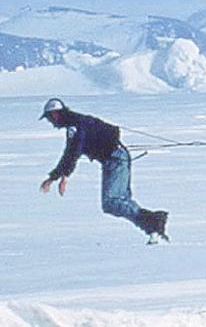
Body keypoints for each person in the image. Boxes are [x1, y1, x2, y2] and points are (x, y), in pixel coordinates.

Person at [38, 98, 169, 242]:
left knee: (111, 203)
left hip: (115, 160)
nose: (51, 122)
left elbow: (73, 152)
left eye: (50, 118)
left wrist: (62, 177)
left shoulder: (74, 126)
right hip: (117, 158)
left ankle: (154, 220)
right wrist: (57, 176)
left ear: (55, 114)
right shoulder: (77, 122)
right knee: (121, 201)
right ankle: (153, 230)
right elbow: (72, 152)